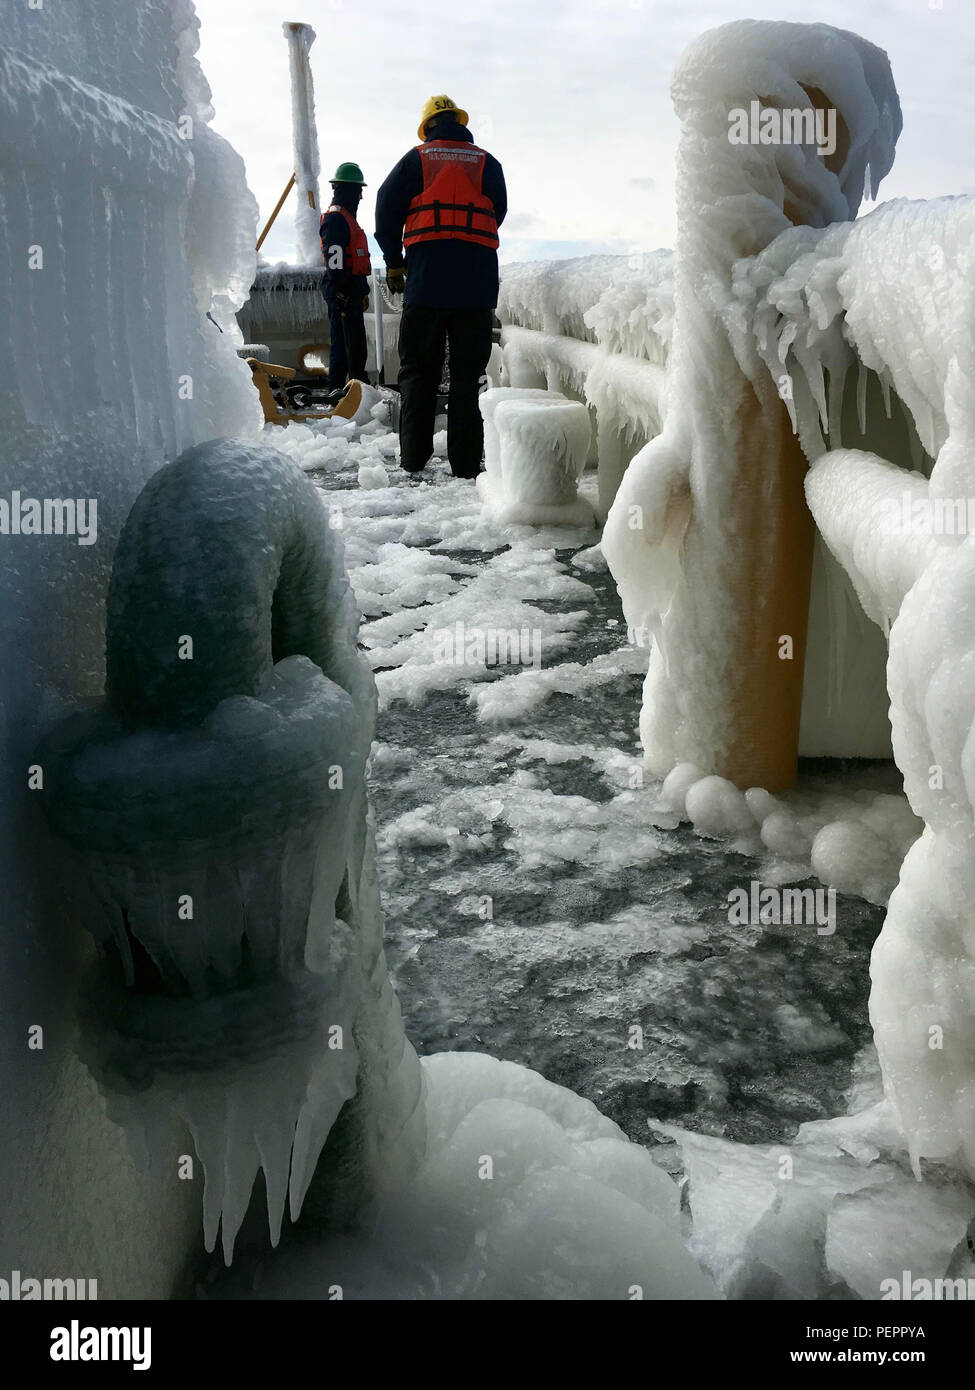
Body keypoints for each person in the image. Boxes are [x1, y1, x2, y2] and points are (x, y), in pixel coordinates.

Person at [376, 96, 507, 478]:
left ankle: (414, 460)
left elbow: (385, 211)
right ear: (459, 123)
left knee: (418, 370)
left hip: (426, 281)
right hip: (476, 285)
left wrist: (394, 261)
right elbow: (496, 212)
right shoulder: (486, 162)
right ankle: (466, 465)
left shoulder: (416, 159)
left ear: (428, 126)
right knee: (469, 375)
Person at [319, 162, 371, 393]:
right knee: (344, 346)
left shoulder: (345, 218)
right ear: (346, 191)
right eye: (358, 191)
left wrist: (361, 291)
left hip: (351, 291)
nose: (360, 197)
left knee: (355, 345)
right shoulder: (336, 219)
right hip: (343, 292)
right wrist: (342, 292)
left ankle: (356, 389)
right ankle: (337, 392)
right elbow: (335, 261)